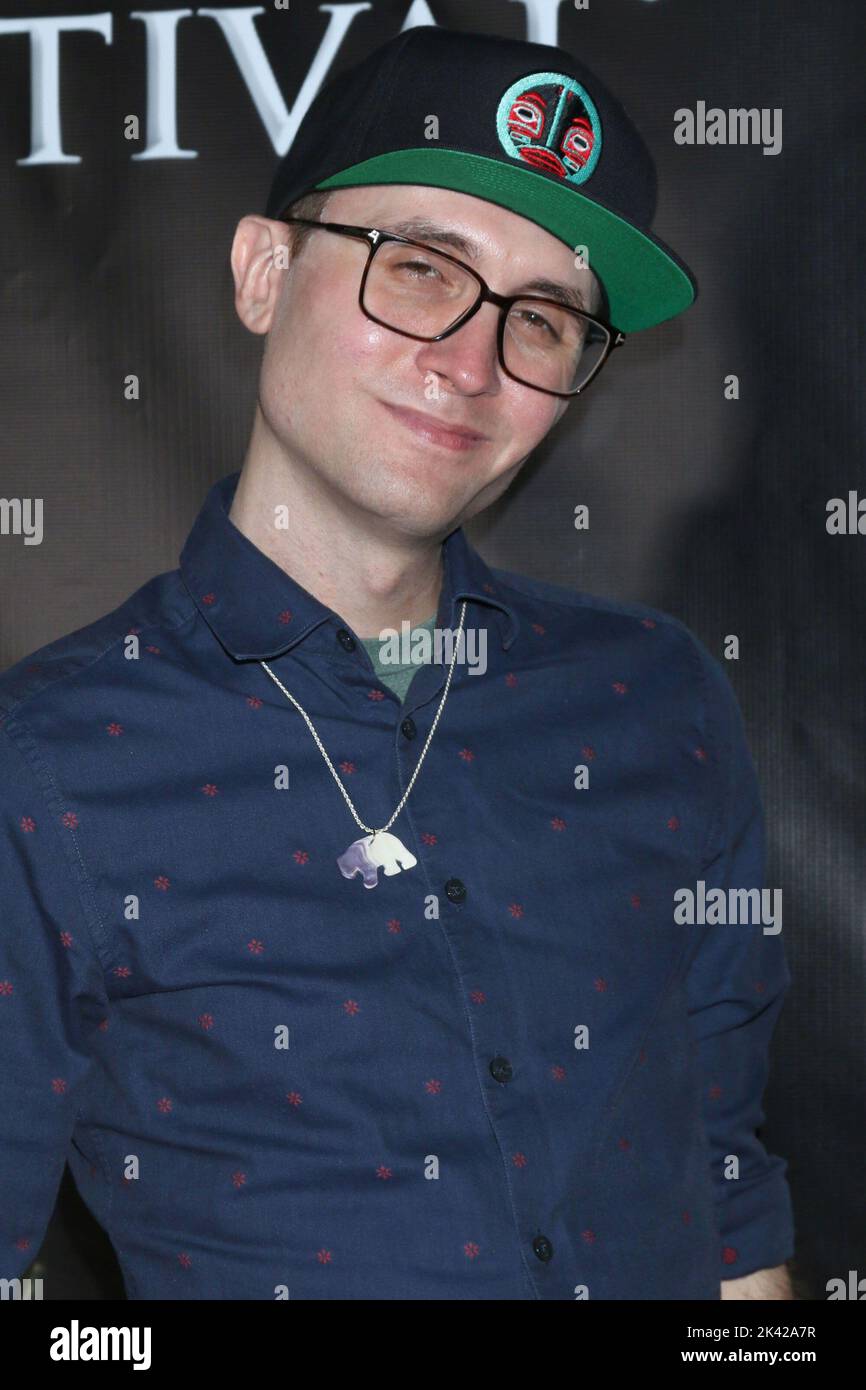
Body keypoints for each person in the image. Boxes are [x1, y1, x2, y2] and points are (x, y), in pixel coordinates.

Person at [0, 26, 795, 1300]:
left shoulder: (655, 698)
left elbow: (725, 1194)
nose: (470, 362)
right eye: (421, 268)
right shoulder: (44, 767)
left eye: (541, 319)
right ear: (264, 273)